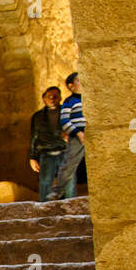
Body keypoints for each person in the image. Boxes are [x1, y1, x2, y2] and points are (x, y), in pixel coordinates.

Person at [29, 85, 72, 202]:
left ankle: (70, 207)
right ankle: (45, 210)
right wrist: (33, 157)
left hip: (65, 152)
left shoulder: (67, 113)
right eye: (50, 97)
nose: (52, 99)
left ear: (60, 98)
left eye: (55, 96)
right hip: (46, 153)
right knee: (45, 183)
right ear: (44, 99)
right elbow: (34, 138)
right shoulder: (37, 117)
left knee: (68, 183)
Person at [48, 72, 85, 200]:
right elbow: (64, 121)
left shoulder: (89, 99)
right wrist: (77, 133)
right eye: (79, 81)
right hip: (77, 136)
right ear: (71, 86)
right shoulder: (69, 102)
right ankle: (58, 191)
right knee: (70, 164)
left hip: (91, 135)